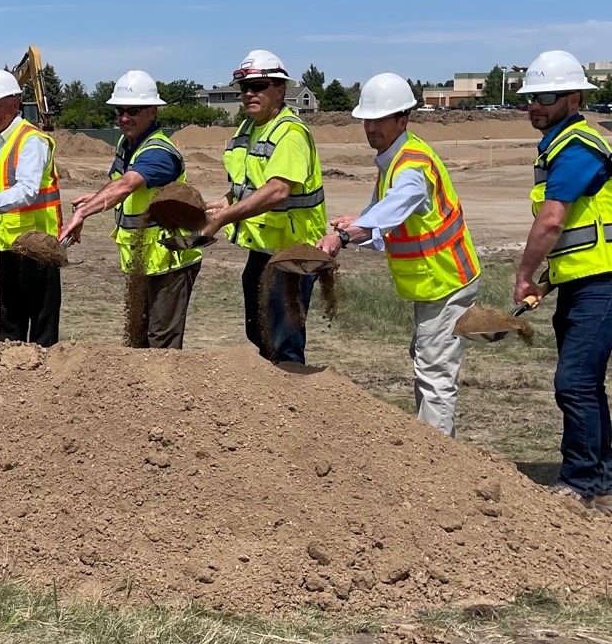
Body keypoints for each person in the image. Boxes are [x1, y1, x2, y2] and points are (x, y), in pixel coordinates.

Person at [514, 49, 612, 513]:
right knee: (585, 383)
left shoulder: (576, 147)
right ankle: (601, 485)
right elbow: (579, 233)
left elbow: (552, 222)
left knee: (573, 381)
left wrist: (523, 275)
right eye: (530, 97)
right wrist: (548, 280)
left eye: (545, 97)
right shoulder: (558, 147)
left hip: (610, 281)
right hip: (587, 280)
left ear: (573, 98)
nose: (534, 105)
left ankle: (579, 483)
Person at [320, 73, 480, 435]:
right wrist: (358, 222)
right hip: (434, 283)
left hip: (446, 281)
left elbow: (398, 204)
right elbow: (386, 214)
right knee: (427, 361)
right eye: (367, 120)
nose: (371, 128)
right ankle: (435, 449)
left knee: (435, 373)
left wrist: (343, 237)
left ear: (403, 120)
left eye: (380, 120)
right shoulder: (394, 159)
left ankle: (436, 458)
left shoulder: (410, 166)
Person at [60, 70, 201, 349]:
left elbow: (127, 185)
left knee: (160, 341)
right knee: (138, 337)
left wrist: (83, 213)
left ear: (152, 111)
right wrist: (93, 199)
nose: (124, 118)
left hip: (169, 259)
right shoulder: (128, 144)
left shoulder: (158, 152)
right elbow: (119, 184)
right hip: (143, 259)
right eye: (120, 111)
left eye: (133, 110)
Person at [207, 50, 327, 363]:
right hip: (263, 248)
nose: (249, 93)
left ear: (280, 90)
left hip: (294, 252)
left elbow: (277, 191)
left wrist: (224, 218)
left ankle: (290, 387)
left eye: (258, 86)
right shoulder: (247, 130)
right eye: (244, 87)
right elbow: (248, 185)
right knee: (259, 331)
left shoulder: (290, 133)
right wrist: (225, 201)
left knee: (284, 340)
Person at [0, 67, 62, 345]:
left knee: (42, 330)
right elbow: (0, 189)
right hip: (9, 246)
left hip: (38, 248)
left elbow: (27, 191)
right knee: (10, 324)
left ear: (15, 104)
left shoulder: (31, 140)